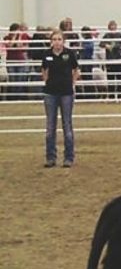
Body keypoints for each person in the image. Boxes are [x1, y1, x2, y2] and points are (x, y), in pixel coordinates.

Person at [41, 28, 79, 167]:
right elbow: (44, 70)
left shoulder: (69, 54)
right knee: (50, 127)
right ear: (51, 41)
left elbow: (76, 70)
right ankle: (50, 157)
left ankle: (69, 157)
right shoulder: (46, 54)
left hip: (66, 93)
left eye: (59, 39)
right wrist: (47, 82)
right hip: (50, 93)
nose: (57, 42)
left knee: (67, 126)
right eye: (54, 39)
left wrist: (72, 83)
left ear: (63, 41)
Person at [100, 20, 121, 99]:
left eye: (114, 26)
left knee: (120, 77)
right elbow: (101, 44)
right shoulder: (106, 35)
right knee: (110, 77)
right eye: (111, 26)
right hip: (110, 59)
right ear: (109, 27)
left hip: (118, 59)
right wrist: (106, 45)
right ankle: (111, 95)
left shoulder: (119, 35)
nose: (113, 27)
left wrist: (114, 46)